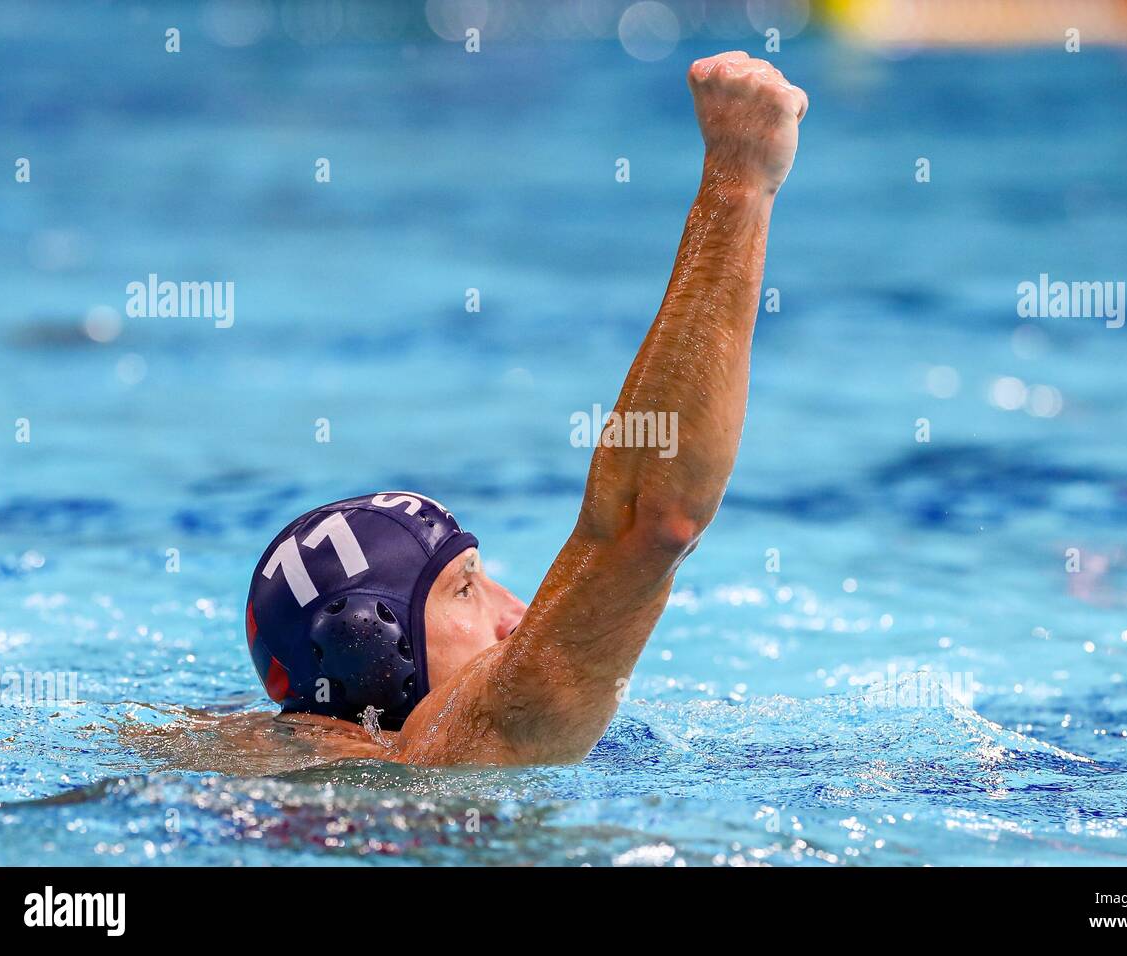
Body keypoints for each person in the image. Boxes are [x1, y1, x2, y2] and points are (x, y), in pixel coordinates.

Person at [245, 51, 808, 766]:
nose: (517, 618)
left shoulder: (238, 751)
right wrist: (740, 181)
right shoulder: (469, 739)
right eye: (465, 590)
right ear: (371, 645)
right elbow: (653, 522)